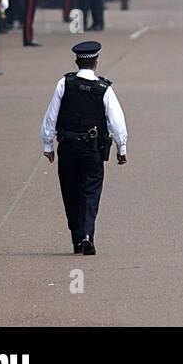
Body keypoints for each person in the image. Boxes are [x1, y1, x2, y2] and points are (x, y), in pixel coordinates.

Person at [40, 41, 129, 255]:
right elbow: (117, 122)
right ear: (96, 63)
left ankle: (77, 238)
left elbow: (52, 115)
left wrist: (48, 144)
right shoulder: (104, 89)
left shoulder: (65, 83)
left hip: (68, 147)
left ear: (77, 61)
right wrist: (122, 148)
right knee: (90, 191)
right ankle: (88, 234)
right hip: (92, 149)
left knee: (70, 192)